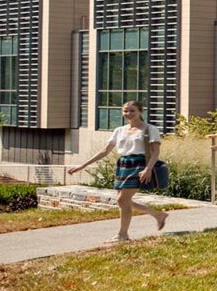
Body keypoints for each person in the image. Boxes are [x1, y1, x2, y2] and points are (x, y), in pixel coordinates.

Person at [68, 100, 167, 242]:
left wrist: (148, 169)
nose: (128, 113)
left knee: (123, 199)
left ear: (140, 111)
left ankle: (123, 235)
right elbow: (105, 151)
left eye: (132, 110)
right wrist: (82, 166)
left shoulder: (149, 129)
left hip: (139, 164)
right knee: (123, 201)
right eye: (126, 111)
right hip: (123, 164)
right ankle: (158, 215)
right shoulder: (119, 130)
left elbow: (156, 152)